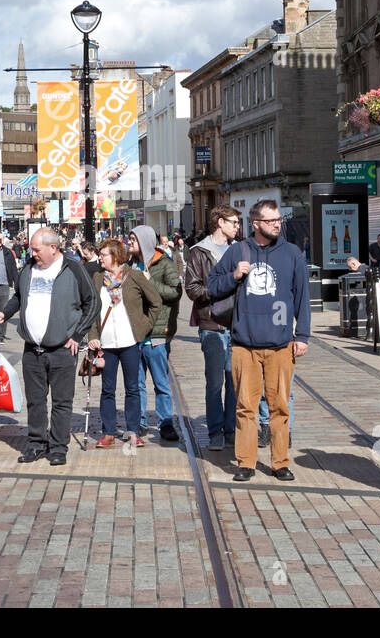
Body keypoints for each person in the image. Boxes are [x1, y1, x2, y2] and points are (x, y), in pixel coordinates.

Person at [207, 199, 311, 483]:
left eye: (278, 220)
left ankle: (280, 462)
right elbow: (211, 286)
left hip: (280, 345)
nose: (277, 224)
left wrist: (302, 336)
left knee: (280, 407)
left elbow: (303, 298)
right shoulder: (237, 251)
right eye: (271, 221)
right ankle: (246, 462)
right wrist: (234, 274)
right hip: (244, 345)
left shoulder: (292, 254)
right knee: (245, 407)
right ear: (256, 224)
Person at [0, 227, 98, 467]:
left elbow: (92, 302)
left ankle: (58, 447)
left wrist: (77, 334)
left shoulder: (73, 269)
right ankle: (36, 444)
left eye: (36, 249)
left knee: (62, 402)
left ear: (53, 248)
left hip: (62, 349)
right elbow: (19, 297)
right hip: (33, 349)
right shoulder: (29, 268)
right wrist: (5, 313)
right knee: (35, 400)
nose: (33, 254)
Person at [87, 238, 162, 449]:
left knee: (133, 389)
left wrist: (143, 327)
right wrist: (93, 335)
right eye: (100, 254)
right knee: (107, 389)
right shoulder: (97, 278)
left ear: (116, 256)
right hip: (106, 343)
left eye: (104, 254)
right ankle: (109, 432)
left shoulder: (135, 276)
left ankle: (133, 432)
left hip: (130, 342)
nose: (100, 257)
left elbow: (155, 302)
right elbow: (92, 310)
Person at [185, 205, 241, 450]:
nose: (237, 226)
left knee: (234, 380)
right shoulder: (200, 253)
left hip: (237, 325)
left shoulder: (240, 250)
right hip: (212, 323)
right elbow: (192, 289)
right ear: (220, 222)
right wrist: (221, 289)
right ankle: (216, 431)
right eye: (234, 222)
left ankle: (231, 431)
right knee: (216, 381)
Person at [130, 225, 181, 441]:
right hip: (134, 334)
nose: (129, 242)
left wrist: (150, 283)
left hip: (158, 333)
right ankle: (140, 422)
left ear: (143, 241)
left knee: (160, 381)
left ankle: (166, 422)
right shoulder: (129, 266)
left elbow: (175, 293)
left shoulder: (164, 264)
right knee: (136, 383)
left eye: (133, 239)